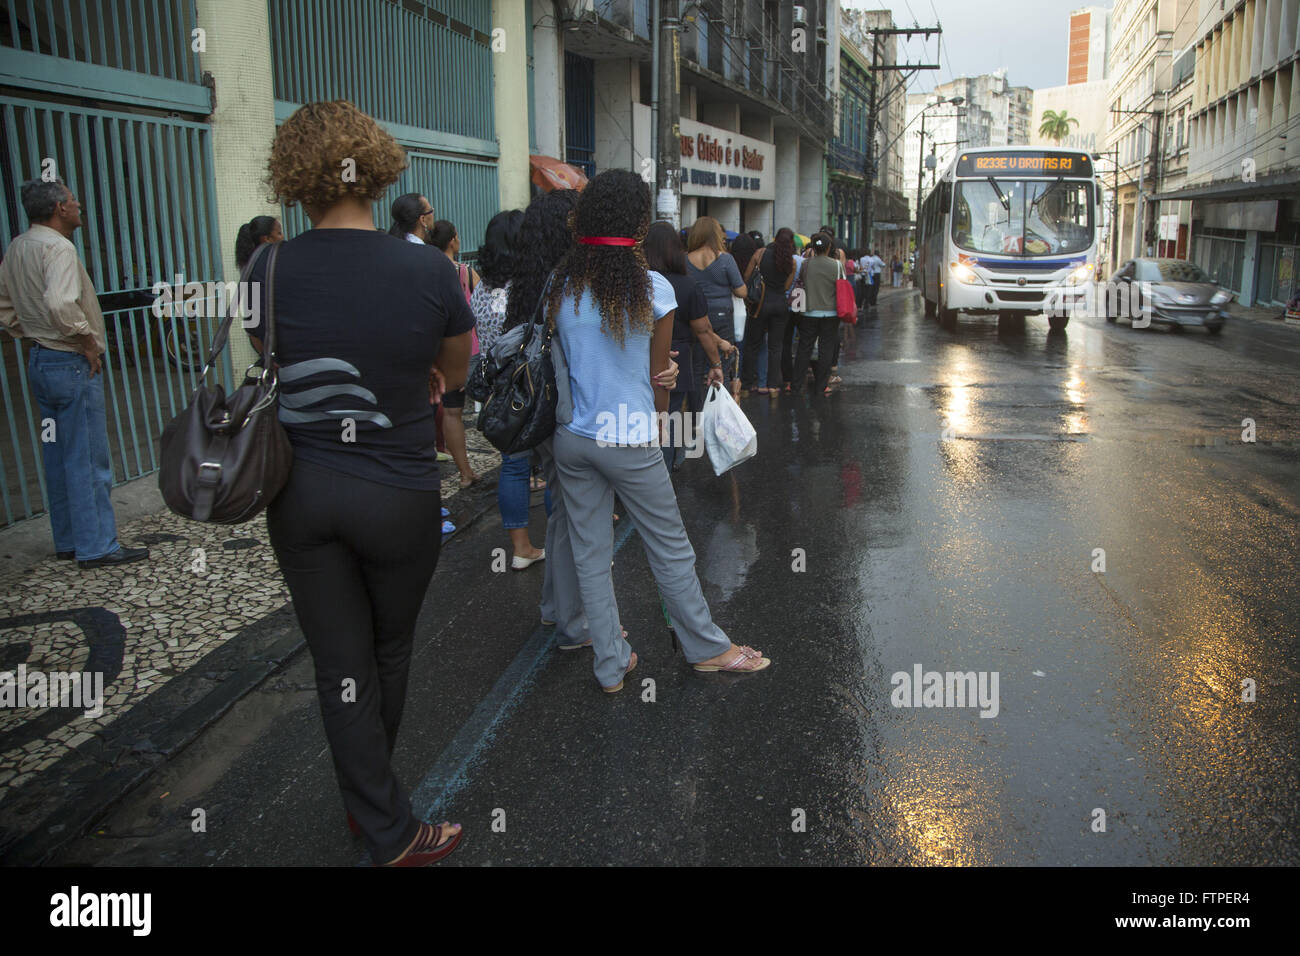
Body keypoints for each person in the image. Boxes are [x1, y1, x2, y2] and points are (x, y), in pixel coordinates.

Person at [247, 99, 469, 866]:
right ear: (375, 171)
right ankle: (387, 825)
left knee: (339, 665)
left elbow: (266, 353)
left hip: (299, 493)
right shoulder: (430, 268)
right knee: (388, 654)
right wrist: (418, 379)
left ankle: (374, 812)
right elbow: (455, 370)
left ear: (294, 177)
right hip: (398, 490)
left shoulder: (266, 266)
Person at [547, 170, 770, 691]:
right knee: (669, 548)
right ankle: (706, 647)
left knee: (590, 554)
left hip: (574, 438)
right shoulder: (652, 288)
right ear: (639, 223)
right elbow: (659, 385)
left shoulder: (561, 284)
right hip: (630, 436)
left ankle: (609, 664)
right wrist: (664, 387)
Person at [0, 180, 149, 569]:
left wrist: (27, 331)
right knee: (86, 458)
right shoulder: (59, 248)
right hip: (68, 364)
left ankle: (68, 539)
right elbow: (61, 303)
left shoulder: (18, 247)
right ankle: (97, 545)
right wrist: (86, 343)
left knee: (58, 454)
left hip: (40, 363)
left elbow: (4, 302)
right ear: (58, 209)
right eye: (71, 199)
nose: (78, 203)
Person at [471, 208, 550, 568]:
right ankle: (563, 542)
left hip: (498, 393)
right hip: (529, 390)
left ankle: (520, 549)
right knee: (552, 466)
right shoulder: (528, 289)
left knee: (513, 465)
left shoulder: (481, 289)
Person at [643, 220, 722, 470]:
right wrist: (716, 363)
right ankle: (664, 472)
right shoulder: (688, 285)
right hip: (676, 361)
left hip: (639, 357)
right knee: (668, 418)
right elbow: (703, 330)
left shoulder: (637, 282)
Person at [389, 193, 454, 472]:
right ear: (423, 219)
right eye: (431, 211)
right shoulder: (430, 259)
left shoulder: (388, 250)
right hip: (424, 350)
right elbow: (451, 315)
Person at [428, 219, 480, 489]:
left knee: (452, 412)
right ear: (452, 241)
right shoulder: (464, 272)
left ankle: (464, 472)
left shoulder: (424, 271)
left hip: (437, 353)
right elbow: (479, 311)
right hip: (468, 351)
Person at [685, 216, 746, 400]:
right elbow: (741, 291)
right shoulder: (726, 259)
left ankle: (696, 416)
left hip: (696, 317)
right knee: (722, 366)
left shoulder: (685, 259)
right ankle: (721, 413)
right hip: (722, 317)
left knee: (696, 367)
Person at [742, 226, 797, 396]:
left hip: (760, 305)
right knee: (776, 347)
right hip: (780, 305)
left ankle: (747, 385)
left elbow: (746, 277)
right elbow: (786, 286)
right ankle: (773, 386)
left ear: (775, 239)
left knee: (752, 344)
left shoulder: (760, 253)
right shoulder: (792, 262)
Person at [791, 232, 840, 396]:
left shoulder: (805, 264)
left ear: (813, 247)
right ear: (828, 247)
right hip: (830, 313)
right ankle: (821, 386)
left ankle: (796, 385)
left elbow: (802, 282)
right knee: (826, 349)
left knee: (804, 348)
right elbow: (842, 286)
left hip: (809, 312)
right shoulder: (837, 265)